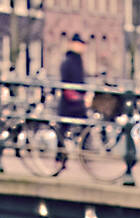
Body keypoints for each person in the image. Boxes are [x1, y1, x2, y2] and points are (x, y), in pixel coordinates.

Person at [57, 34, 87, 168]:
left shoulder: (77, 60)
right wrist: (76, 96)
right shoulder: (69, 61)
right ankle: (62, 156)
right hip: (70, 101)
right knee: (66, 128)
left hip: (75, 100)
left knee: (68, 128)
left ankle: (64, 157)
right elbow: (67, 82)